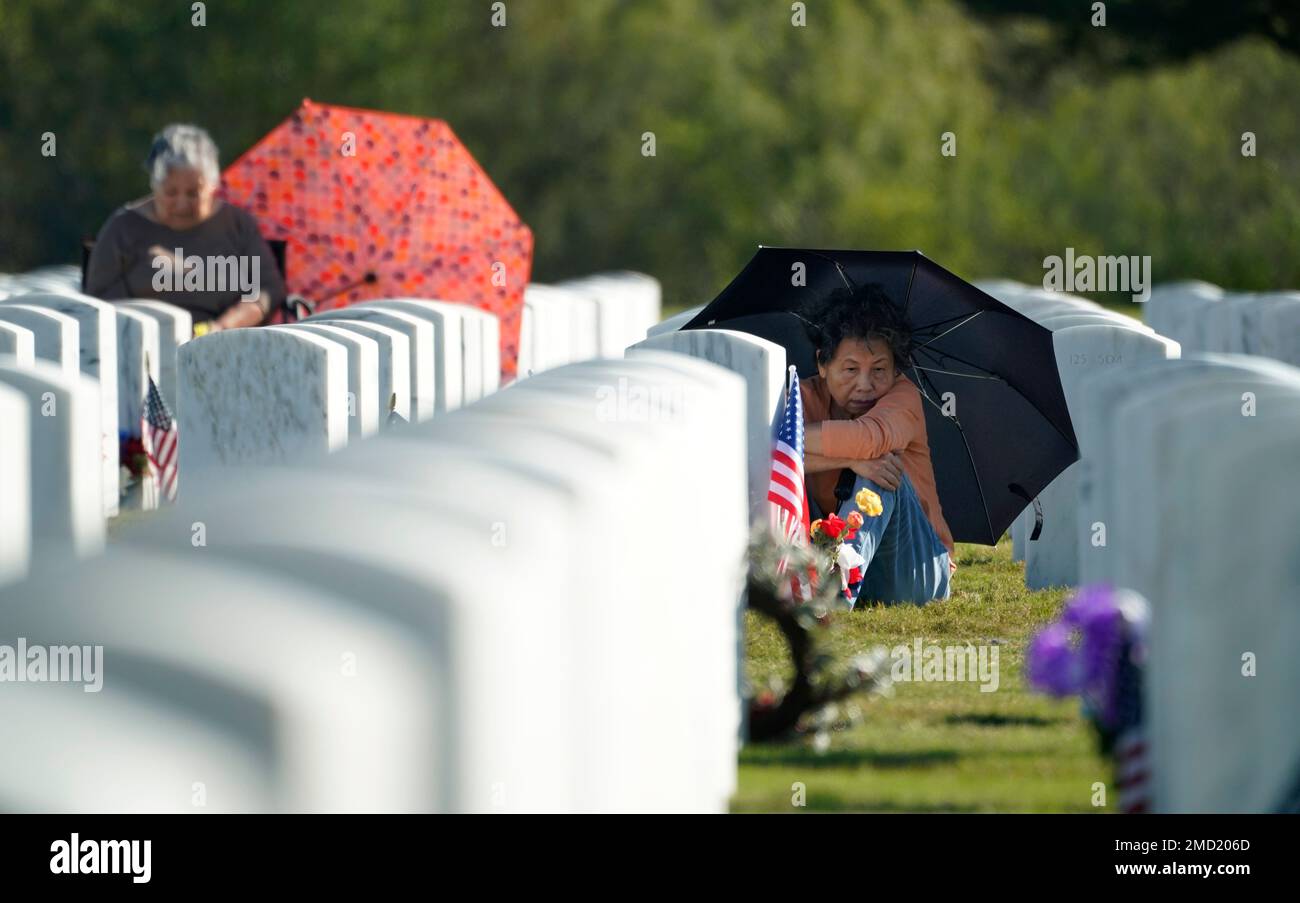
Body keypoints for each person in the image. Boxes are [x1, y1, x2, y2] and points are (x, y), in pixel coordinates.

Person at [800, 284, 956, 605]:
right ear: (822, 364)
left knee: (881, 462)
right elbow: (764, 454)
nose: (865, 385)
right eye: (851, 369)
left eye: (879, 370)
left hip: (912, 571)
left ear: (896, 370)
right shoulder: (802, 396)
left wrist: (793, 439)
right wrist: (847, 462)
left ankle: (839, 589)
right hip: (825, 552)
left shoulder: (904, 397)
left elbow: (868, 438)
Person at [85, 124, 285, 334]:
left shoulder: (238, 225)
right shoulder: (123, 228)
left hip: (223, 342)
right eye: (171, 193)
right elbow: (100, 300)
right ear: (154, 185)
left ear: (212, 186)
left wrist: (222, 327)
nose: (182, 204)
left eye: (193, 194)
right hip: (140, 342)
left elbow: (267, 289)